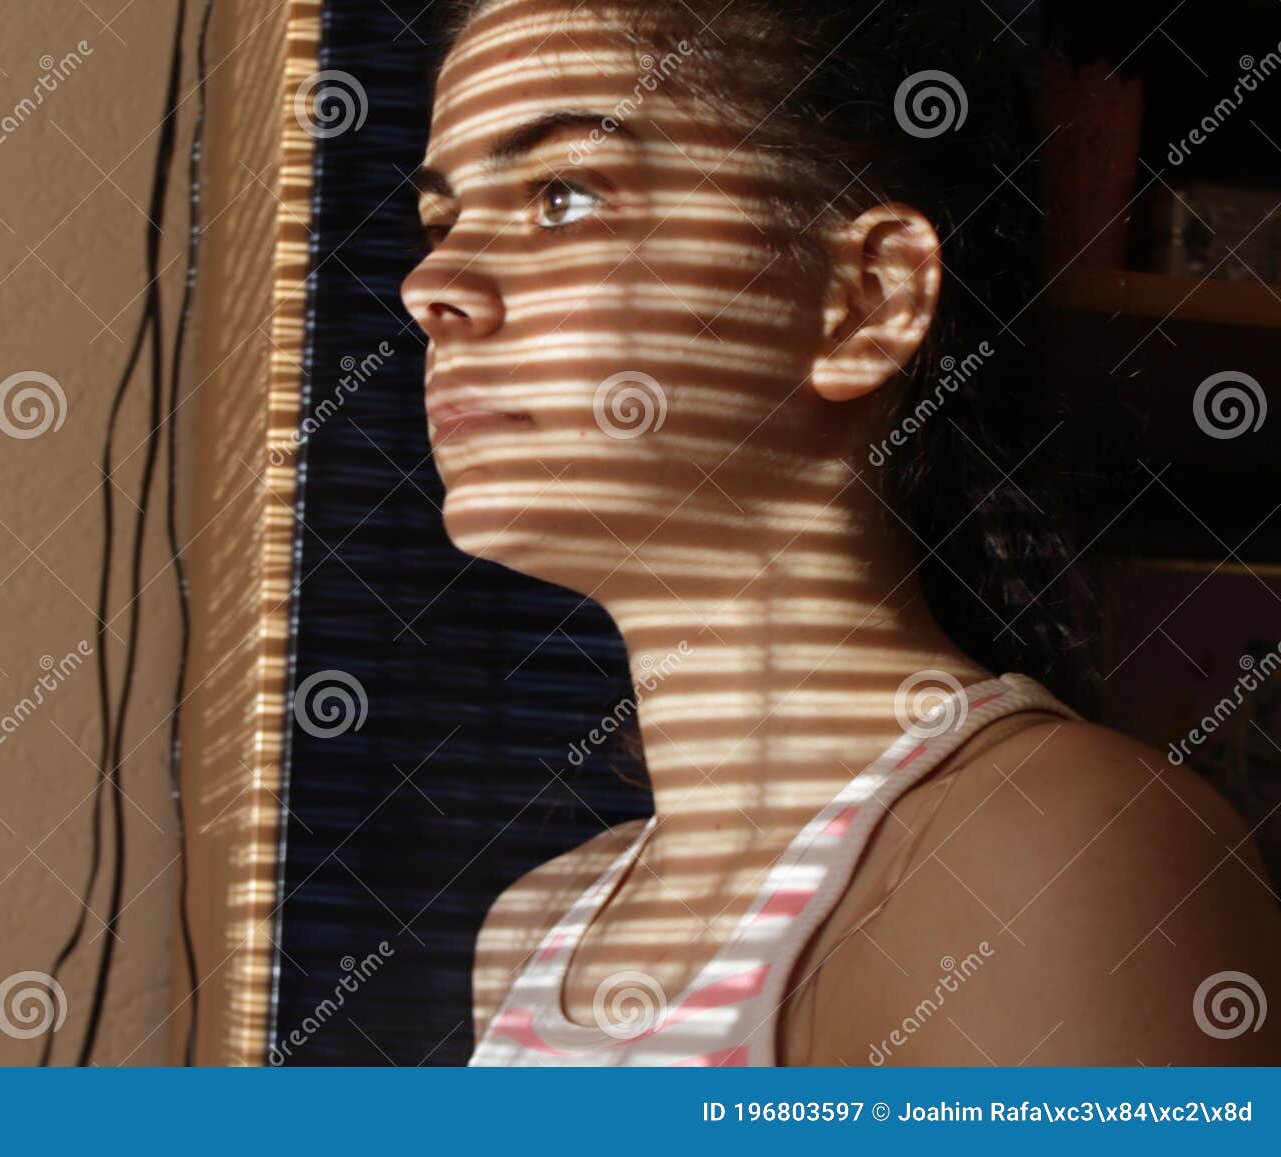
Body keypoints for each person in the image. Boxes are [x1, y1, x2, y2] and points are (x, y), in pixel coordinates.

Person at [398, 0, 1281, 1065]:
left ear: (864, 300)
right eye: (442, 222)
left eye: (560, 195)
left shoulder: (1060, 863)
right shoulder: (535, 931)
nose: (428, 287)